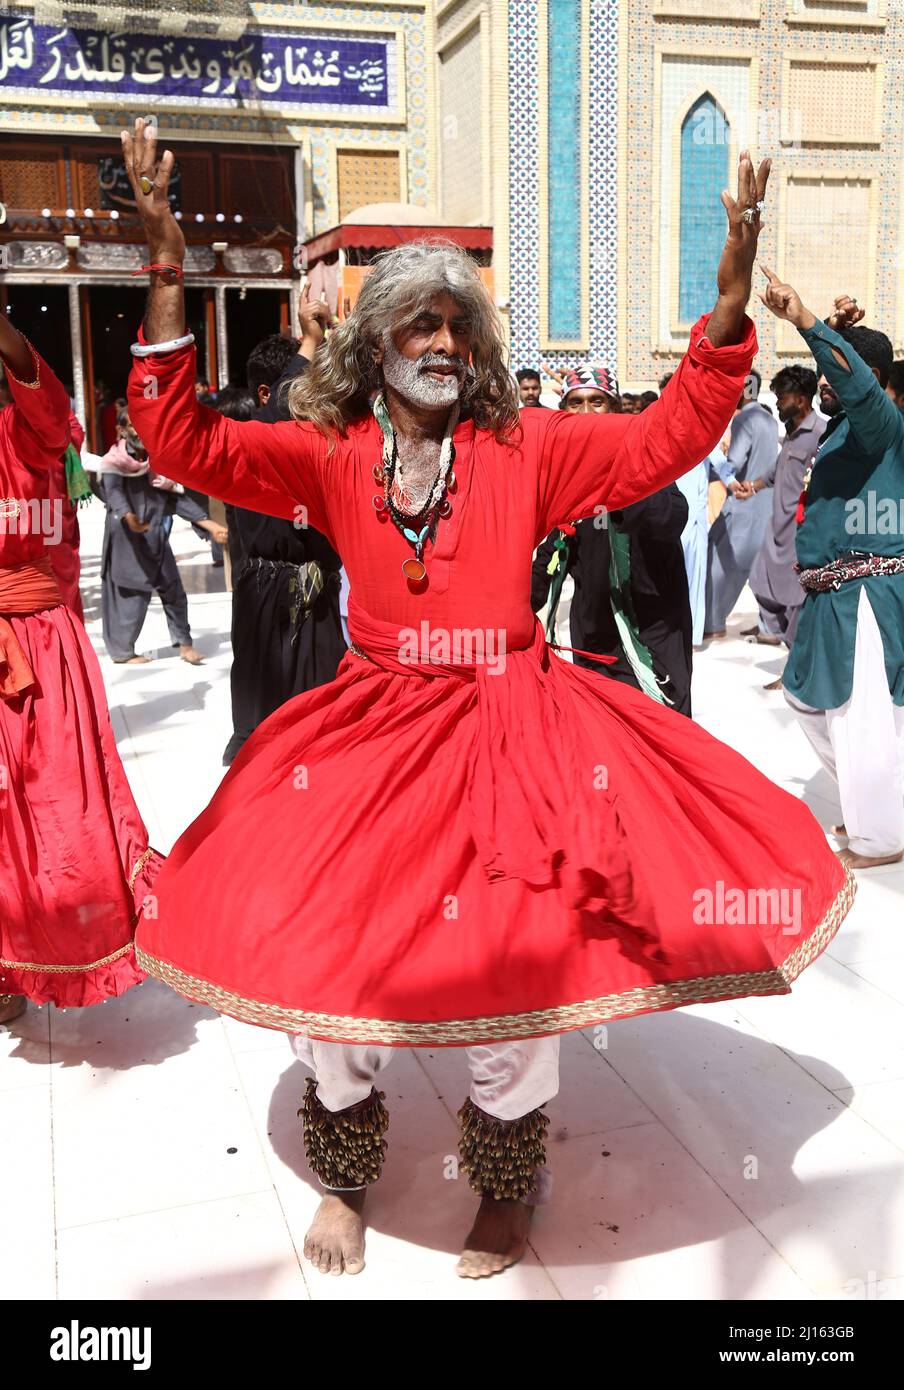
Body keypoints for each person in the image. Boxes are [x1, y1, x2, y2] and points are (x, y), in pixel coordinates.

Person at [122, 121, 853, 1280]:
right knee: (336, 960)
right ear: (372, 345)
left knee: (517, 965)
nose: (443, 341)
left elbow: (667, 435)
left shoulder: (529, 447)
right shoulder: (326, 448)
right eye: (418, 321)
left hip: (513, 729)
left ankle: (505, 1187)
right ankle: (344, 1173)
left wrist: (726, 305)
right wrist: (167, 267)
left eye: (460, 322)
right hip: (366, 733)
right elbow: (181, 437)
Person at [0, 313, 161, 1025]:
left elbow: (39, 386)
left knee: (55, 811)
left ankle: (62, 945)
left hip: (33, 644)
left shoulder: (29, 431)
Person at [759, 270, 904, 870]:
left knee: (858, 713)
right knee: (810, 702)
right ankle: (879, 801)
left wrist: (808, 322)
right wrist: (838, 335)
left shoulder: (880, 424)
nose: (822, 380)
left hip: (864, 591)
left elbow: (863, 391)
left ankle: (881, 835)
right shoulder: (842, 427)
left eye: (832, 372)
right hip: (829, 593)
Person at [222, 307, 347, 766]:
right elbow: (282, 410)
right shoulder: (253, 439)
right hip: (270, 598)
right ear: (268, 393)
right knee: (270, 731)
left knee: (325, 725)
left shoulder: (315, 441)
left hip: (317, 595)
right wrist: (310, 344)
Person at [531, 368, 694, 714]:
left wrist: (618, 479)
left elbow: (671, 517)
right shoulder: (566, 481)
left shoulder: (645, 462)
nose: (586, 414)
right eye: (575, 404)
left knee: (653, 754)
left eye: (597, 402)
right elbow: (549, 557)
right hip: (594, 647)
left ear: (616, 409)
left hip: (649, 646)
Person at [99, 407, 226, 665]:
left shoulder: (156, 463)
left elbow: (175, 499)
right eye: (133, 426)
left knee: (173, 590)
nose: (139, 431)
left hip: (155, 536)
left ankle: (185, 645)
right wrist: (127, 515)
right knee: (131, 594)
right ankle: (123, 652)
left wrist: (210, 525)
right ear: (121, 431)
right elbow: (113, 492)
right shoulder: (113, 462)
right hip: (128, 540)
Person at [745, 365, 824, 686]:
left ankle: (794, 671)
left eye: (782, 397)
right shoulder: (792, 433)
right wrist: (751, 486)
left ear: (803, 399)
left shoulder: (820, 433)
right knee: (759, 581)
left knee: (796, 605)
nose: (777, 403)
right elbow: (778, 473)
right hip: (776, 530)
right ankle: (779, 642)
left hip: (799, 533)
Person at [704, 367, 778, 638]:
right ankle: (769, 627)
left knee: (717, 567)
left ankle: (712, 625)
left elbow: (733, 462)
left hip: (741, 505)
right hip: (765, 506)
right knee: (757, 570)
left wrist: (706, 468)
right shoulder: (770, 421)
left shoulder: (744, 420)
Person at [661, 370, 712, 648]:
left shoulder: (700, 426)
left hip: (694, 519)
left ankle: (691, 635)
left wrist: (736, 482)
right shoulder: (658, 426)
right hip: (666, 516)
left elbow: (719, 461)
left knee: (694, 577)